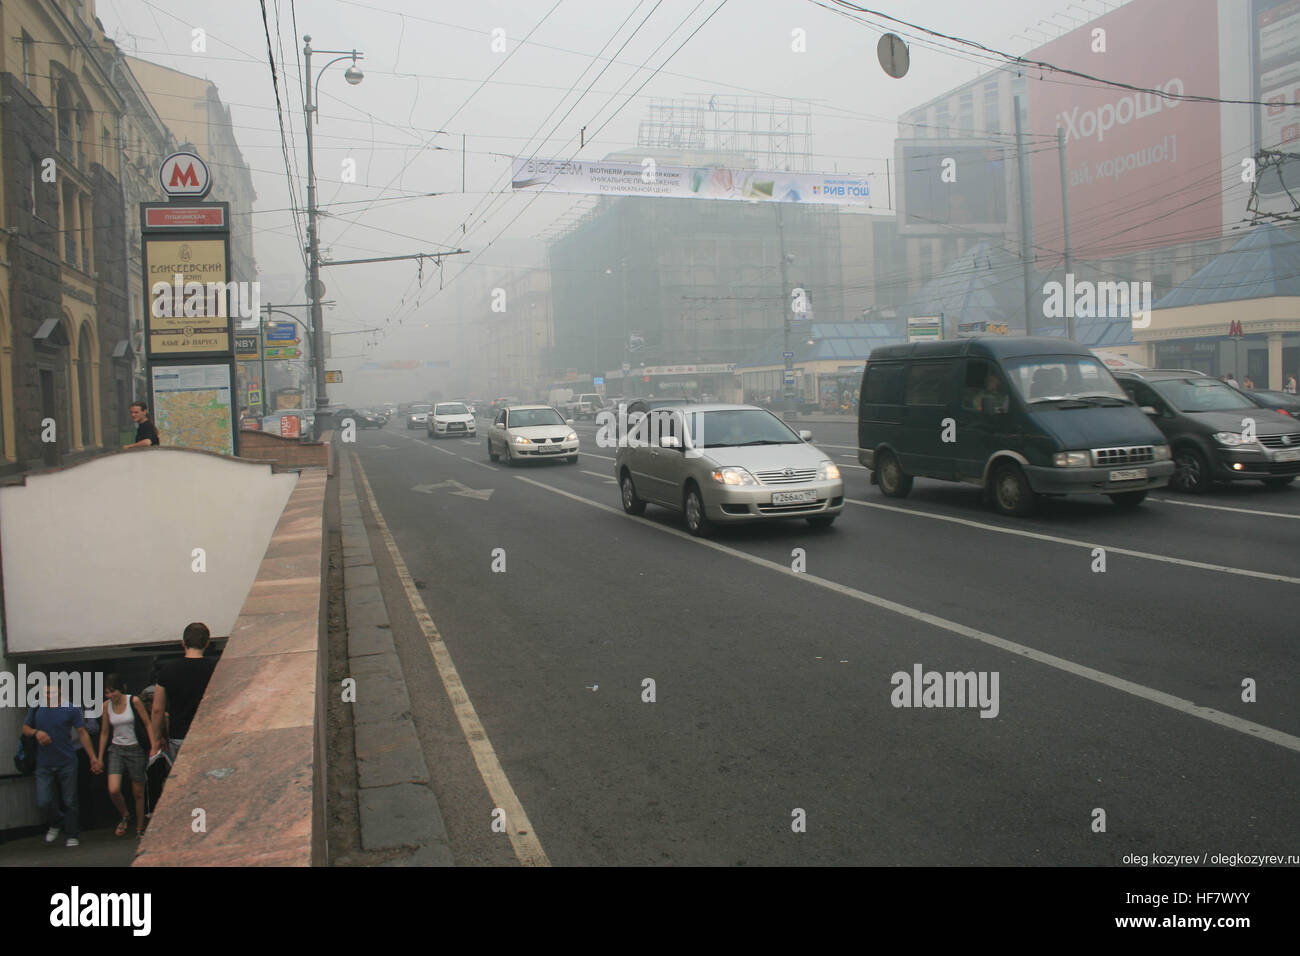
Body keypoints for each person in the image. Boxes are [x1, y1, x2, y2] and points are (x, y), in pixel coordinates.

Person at [21, 684, 102, 848]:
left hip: (67, 761)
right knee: (43, 801)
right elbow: (25, 728)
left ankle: (72, 834)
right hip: (43, 763)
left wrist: (93, 757)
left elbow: (82, 732)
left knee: (70, 800)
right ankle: (57, 821)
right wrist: (37, 733)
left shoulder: (71, 709)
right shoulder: (37, 707)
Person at [150, 623, 217, 766]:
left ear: (183, 643)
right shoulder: (215, 668)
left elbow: (157, 709)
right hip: (208, 733)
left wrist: (155, 740)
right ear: (207, 643)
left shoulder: (167, 670)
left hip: (179, 735)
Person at [97, 674, 156, 838]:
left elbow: (147, 723)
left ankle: (139, 827)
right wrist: (99, 757)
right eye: (107, 693)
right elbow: (104, 732)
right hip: (117, 749)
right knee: (113, 788)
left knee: (138, 791)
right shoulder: (106, 706)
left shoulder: (134, 701)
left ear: (121, 689)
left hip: (135, 748)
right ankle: (124, 814)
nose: (111, 696)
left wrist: (153, 746)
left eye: (113, 691)